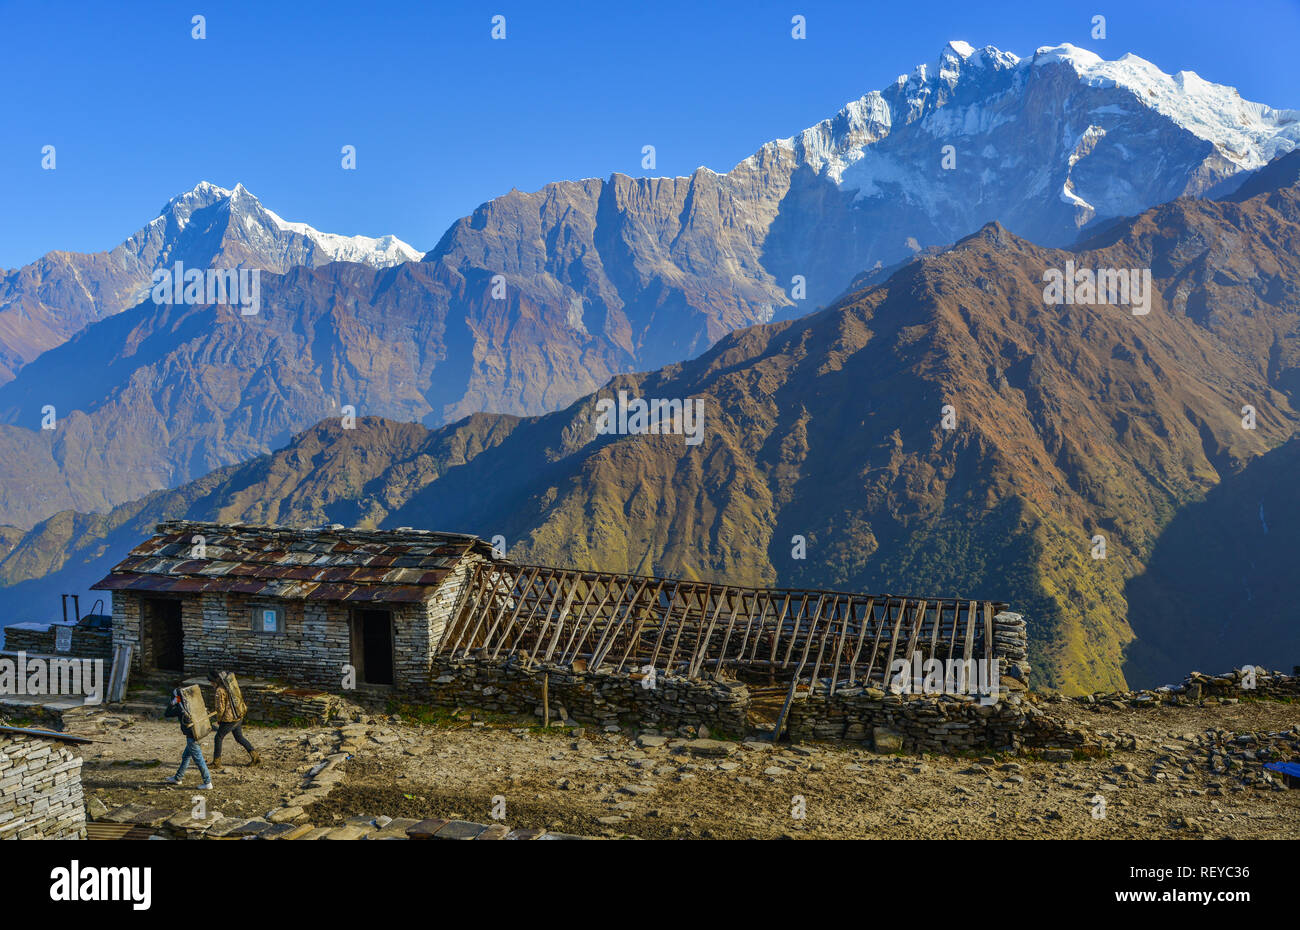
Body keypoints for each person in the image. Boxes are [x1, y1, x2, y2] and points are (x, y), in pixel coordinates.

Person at [208, 670, 260, 768]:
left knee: (218, 737)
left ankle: (216, 762)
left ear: (214, 681)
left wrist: (219, 719)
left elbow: (220, 708)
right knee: (239, 737)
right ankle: (255, 757)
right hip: (238, 715)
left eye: (211, 682)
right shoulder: (228, 686)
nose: (210, 684)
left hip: (229, 719)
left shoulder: (219, 690)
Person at [163, 687, 211, 789]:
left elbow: (166, 714)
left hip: (191, 737)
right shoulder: (192, 704)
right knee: (186, 756)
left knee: (199, 759)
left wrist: (172, 703)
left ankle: (208, 782)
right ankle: (178, 778)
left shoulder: (180, 709)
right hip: (199, 733)